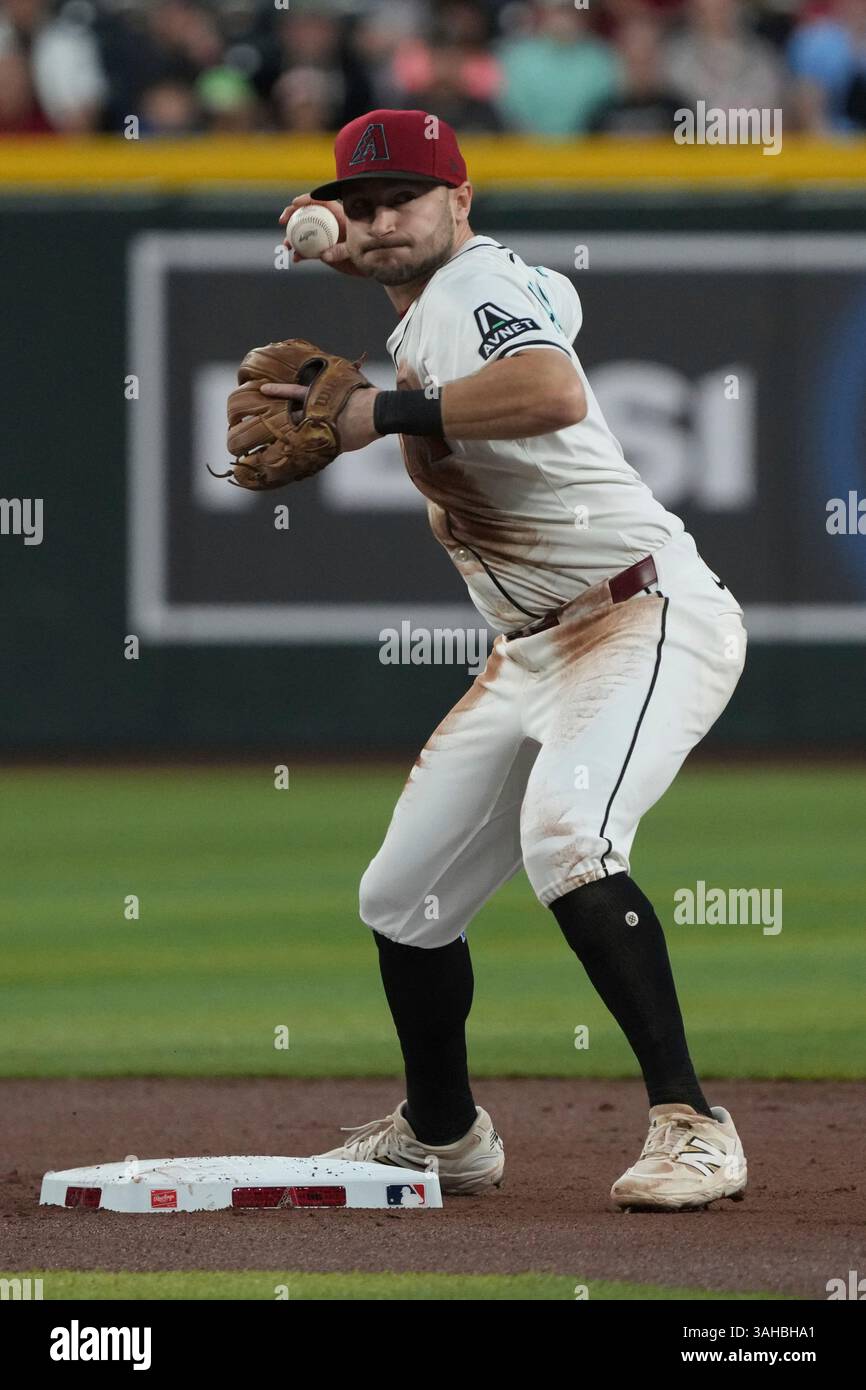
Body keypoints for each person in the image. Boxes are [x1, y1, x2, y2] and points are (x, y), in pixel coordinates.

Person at [269, 108, 749, 1211]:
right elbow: (524, 314)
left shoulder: (474, 289)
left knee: (568, 838)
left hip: (642, 614)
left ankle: (693, 1125)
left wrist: (378, 410)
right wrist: (328, 237)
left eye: (405, 198)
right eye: (362, 203)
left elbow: (552, 392)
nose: (382, 219)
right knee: (402, 896)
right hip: (533, 647)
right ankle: (442, 1134)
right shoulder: (491, 285)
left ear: (461, 199)